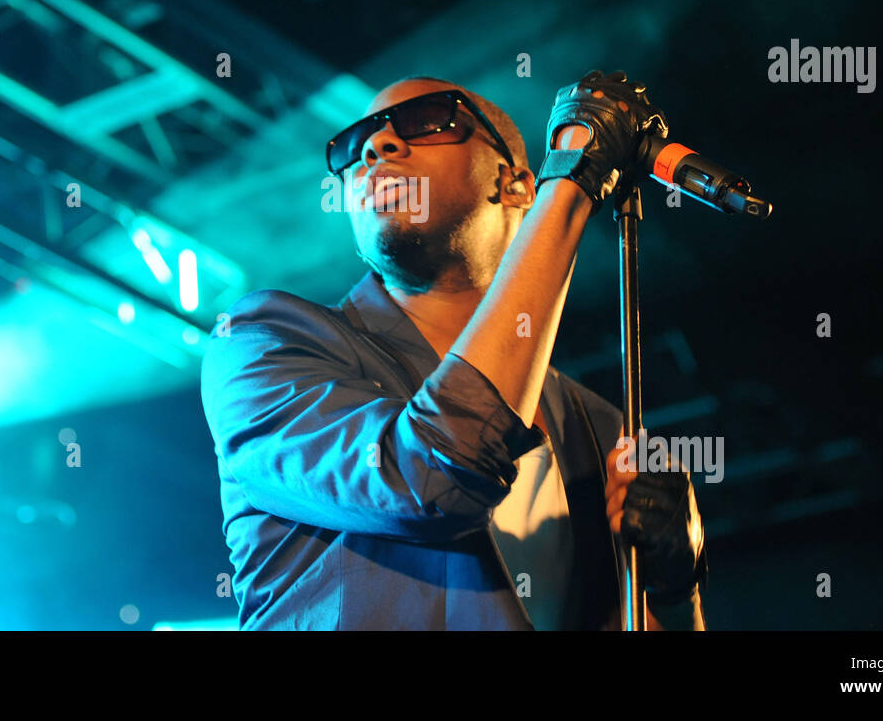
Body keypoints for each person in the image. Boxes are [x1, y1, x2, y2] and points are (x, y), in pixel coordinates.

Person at [201, 70, 708, 630]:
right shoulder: (264, 343)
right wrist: (571, 184)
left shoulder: (600, 428)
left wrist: (676, 595)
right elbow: (426, 480)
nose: (376, 146)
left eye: (425, 121)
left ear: (516, 184)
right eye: (353, 145)